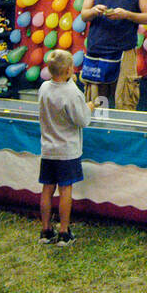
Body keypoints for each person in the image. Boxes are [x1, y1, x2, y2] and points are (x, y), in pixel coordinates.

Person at [36, 48, 92, 246]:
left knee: (47, 189)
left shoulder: (43, 88)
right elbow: (82, 120)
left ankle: (45, 230)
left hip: (48, 149)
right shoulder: (72, 93)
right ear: (69, 70)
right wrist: (90, 107)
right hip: (67, 151)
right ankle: (64, 232)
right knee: (65, 190)